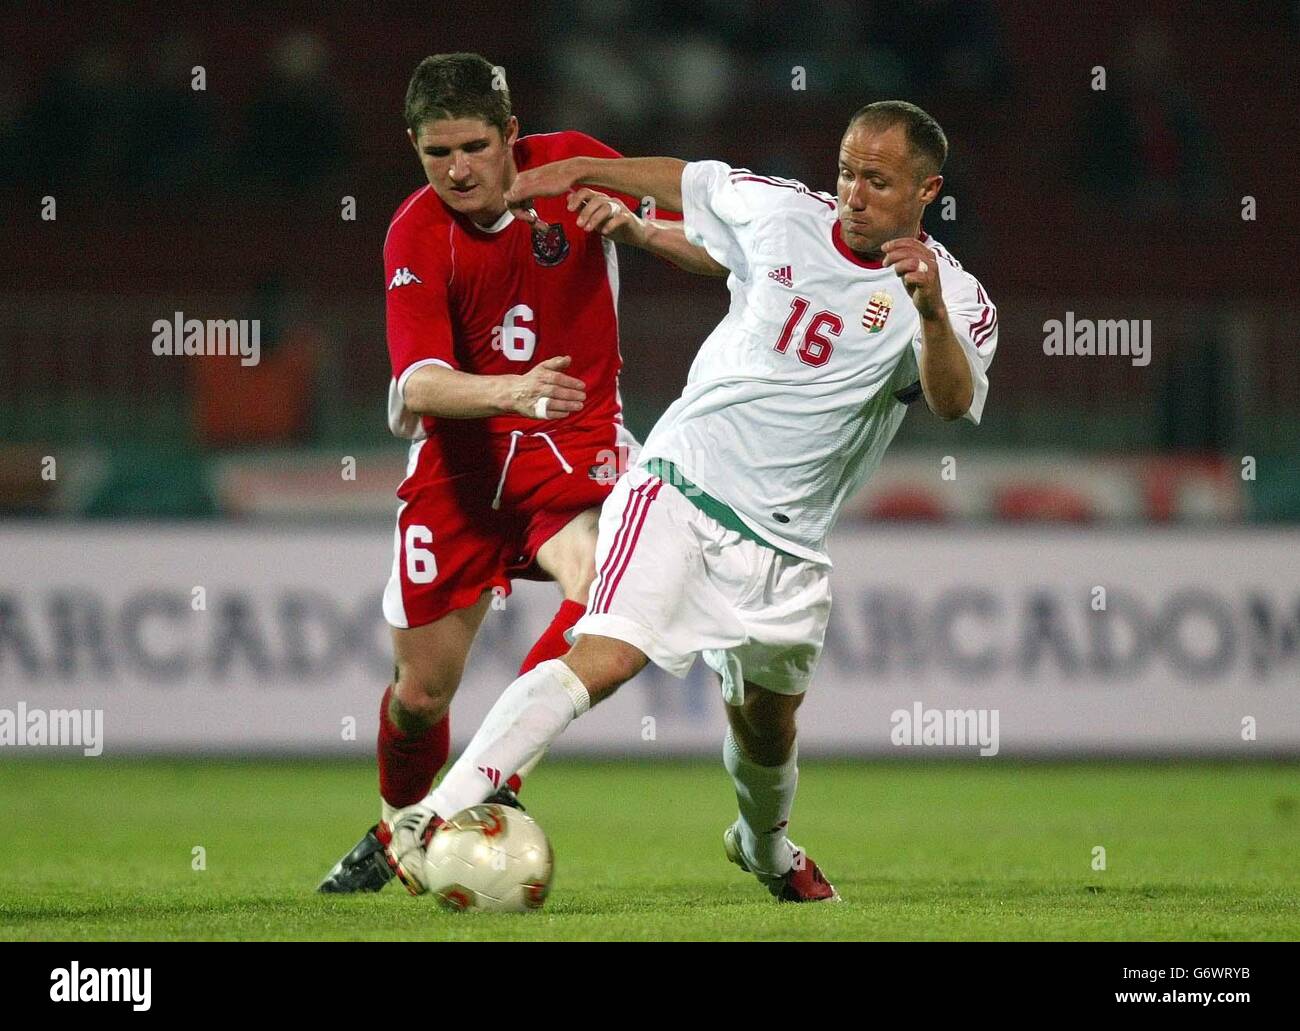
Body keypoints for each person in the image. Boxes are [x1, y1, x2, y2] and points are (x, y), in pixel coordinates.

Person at [387, 101, 999, 902]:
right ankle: (432, 814)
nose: (852, 193)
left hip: (790, 543)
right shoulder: (783, 209)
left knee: (767, 727)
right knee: (605, 653)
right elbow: (686, 182)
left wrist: (927, 315)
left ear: (927, 190)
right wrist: (579, 172)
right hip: (681, 483)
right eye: (846, 170)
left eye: (876, 181)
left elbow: (952, 403)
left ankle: (763, 844)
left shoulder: (958, 298)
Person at [318, 52, 720, 893]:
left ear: (511, 134)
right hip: (461, 469)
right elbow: (418, 382)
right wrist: (511, 389)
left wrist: (643, 230)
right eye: (436, 154)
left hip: (579, 447)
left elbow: (724, 255)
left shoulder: (572, 163)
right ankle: (398, 825)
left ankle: (485, 778)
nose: (456, 170)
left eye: (472, 147)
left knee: (610, 584)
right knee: (420, 695)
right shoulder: (414, 234)